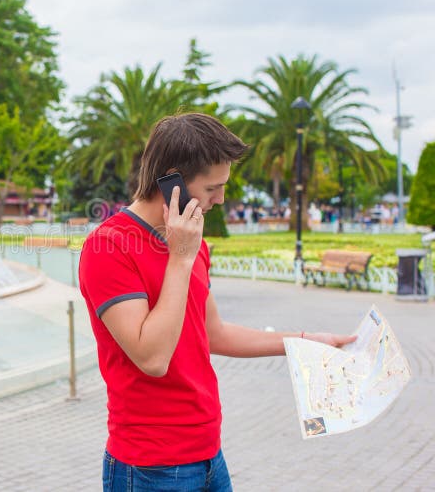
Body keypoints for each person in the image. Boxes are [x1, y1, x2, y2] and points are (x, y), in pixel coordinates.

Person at [78, 113, 356, 492]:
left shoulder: (194, 245)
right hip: (150, 467)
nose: (221, 199)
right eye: (212, 188)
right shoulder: (109, 246)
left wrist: (303, 341)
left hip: (208, 454)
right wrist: (180, 256)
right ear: (172, 181)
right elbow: (152, 357)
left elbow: (215, 334)